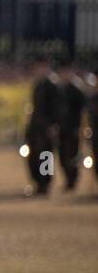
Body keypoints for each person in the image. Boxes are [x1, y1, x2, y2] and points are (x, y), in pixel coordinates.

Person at [23, 57, 61, 196]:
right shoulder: (38, 85)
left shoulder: (53, 85)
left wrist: (53, 125)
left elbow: (57, 108)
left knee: (46, 156)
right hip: (35, 127)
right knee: (33, 156)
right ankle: (37, 182)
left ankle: (45, 184)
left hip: (46, 128)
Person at [57, 61, 89, 191]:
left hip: (73, 128)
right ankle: (66, 179)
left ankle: (73, 180)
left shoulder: (77, 89)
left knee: (72, 155)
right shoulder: (59, 88)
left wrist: (80, 127)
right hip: (61, 128)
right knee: (61, 156)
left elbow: (83, 111)